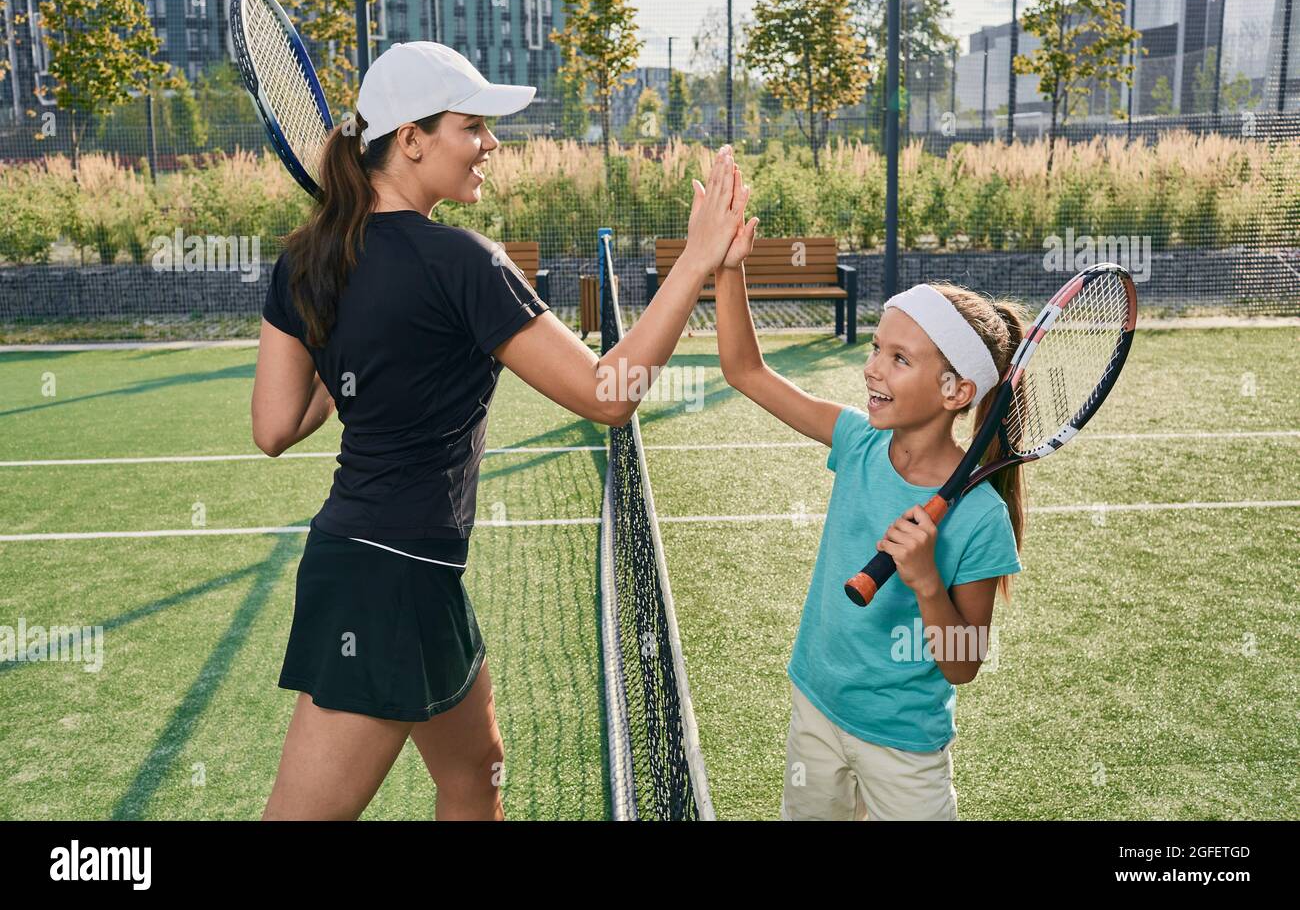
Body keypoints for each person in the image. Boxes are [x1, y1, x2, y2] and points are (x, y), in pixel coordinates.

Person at [251, 41, 751, 819]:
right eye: (472, 126)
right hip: (390, 577)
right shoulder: (463, 262)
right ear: (410, 138)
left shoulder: (306, 261)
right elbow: (606, 394)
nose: (492, 145)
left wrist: (335, 333)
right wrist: (694, 263)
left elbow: (275, 425)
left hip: (388, 563)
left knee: (476, 769)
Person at [714, 217, 1025, 820]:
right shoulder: (856, 441)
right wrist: (729, 267)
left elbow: (962, 666)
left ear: (956, 391)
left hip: (903, 745)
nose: (873, 368)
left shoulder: (983, 518)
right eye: (875, 348)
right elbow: (744, 372)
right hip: (817, 707)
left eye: (899, 358)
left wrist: (927, 582)